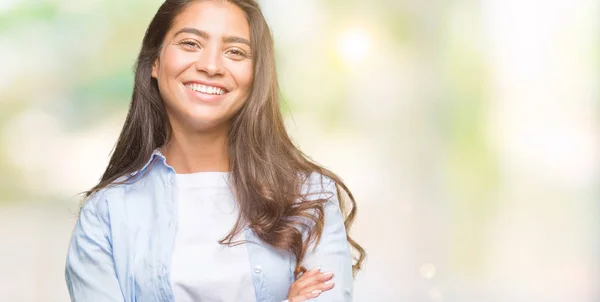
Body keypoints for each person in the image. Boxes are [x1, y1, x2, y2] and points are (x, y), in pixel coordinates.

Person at [65, 0, 365, 301]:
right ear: (155, 62)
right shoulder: (106, 214)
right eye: (191, 43)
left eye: (235, 51)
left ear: (256, 74)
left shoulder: (310, 197)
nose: (210, 66)